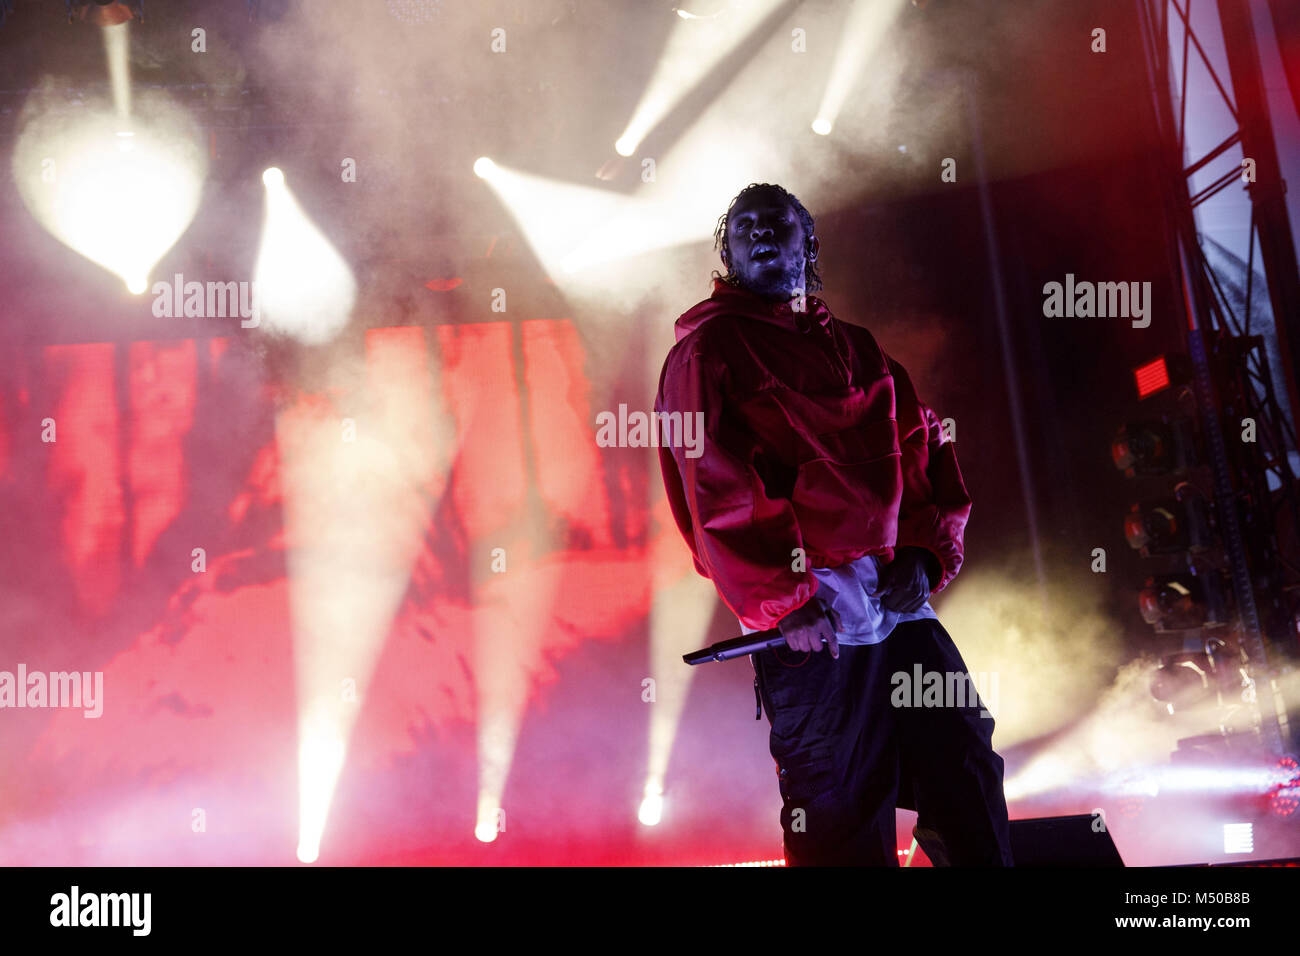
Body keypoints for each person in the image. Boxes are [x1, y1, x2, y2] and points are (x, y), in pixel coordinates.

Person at [654, 182, 1014, 866]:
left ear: (807, 242)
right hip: (810, 610)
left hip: (893, 604)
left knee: (964, 764)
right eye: (745, 227)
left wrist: (926, 555)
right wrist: (783, 601)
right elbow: (712, 482)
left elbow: (924, 447)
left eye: (777, 223)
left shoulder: (859, 349)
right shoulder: (709, 352)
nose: (761, 233)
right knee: (840, 809)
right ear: (727, 252)